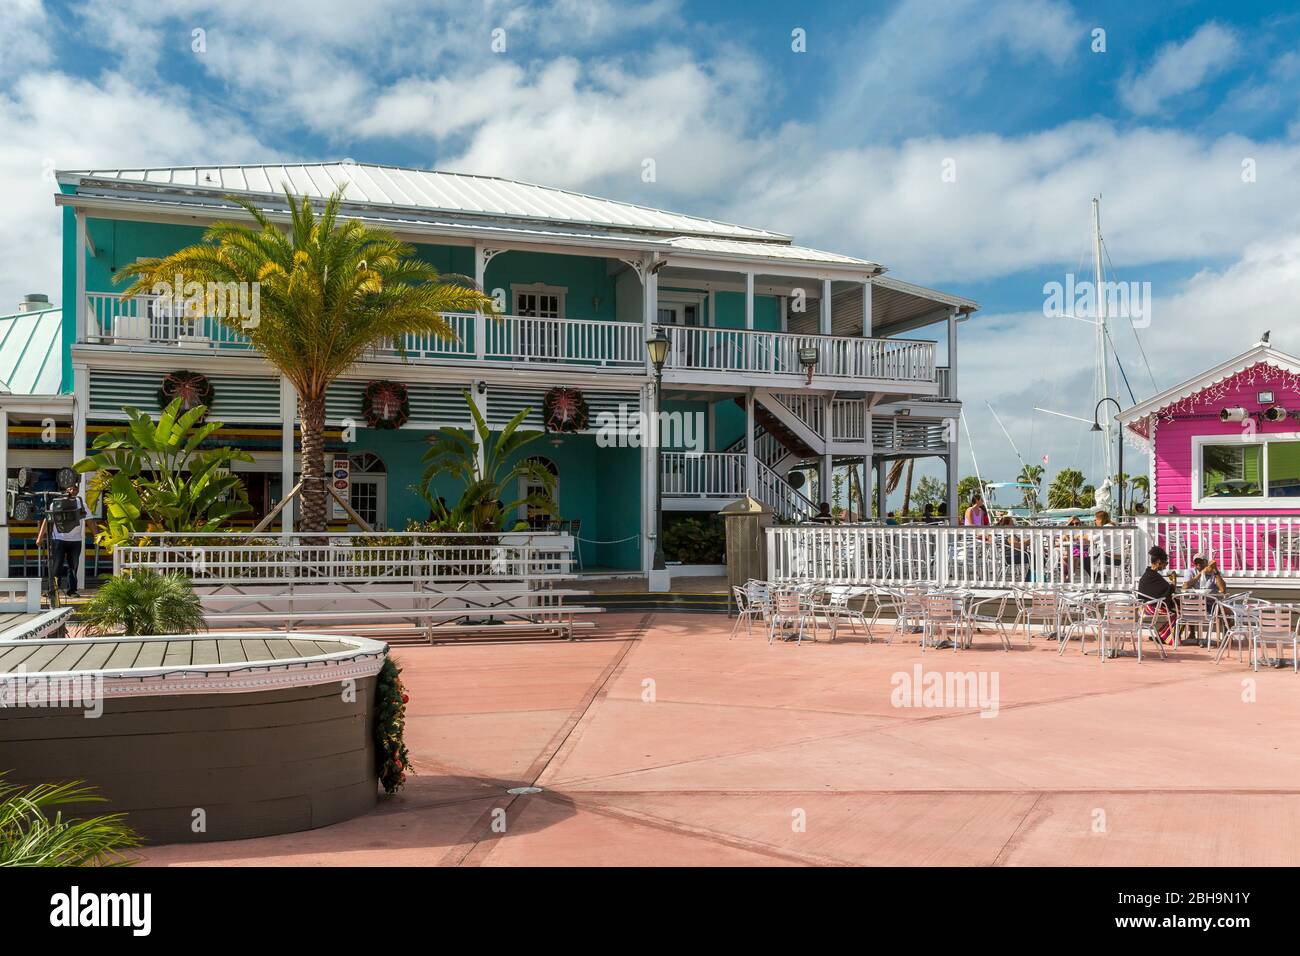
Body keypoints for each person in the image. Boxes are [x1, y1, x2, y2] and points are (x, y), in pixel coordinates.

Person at [36, 481, 98, 598]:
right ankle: (53, 591)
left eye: (75, 489)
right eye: (70, 488)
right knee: (56, 566)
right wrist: (40, 537)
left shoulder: (81, 503)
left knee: (73, 567)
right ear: (66, 489)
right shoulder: (56, 503)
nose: (72, 491)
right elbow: (47, 520)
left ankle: (72, 591)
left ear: (78, 490)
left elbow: (90, 521)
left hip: (75, 541)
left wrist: (96, 536)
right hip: (58, 539)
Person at [1136, 545, 1177, 645]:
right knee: (1177, 612)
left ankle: (1163, 635)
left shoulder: (1149, 574)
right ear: (1159, 561)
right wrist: (1174, 579)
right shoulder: (1153, 576)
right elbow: (1169, 591)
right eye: (1165, 563)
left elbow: (1162, 592)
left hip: (1143, 607)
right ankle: (1166, 637)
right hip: (1149, 608)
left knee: (1176, 608)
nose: (1166, 566)